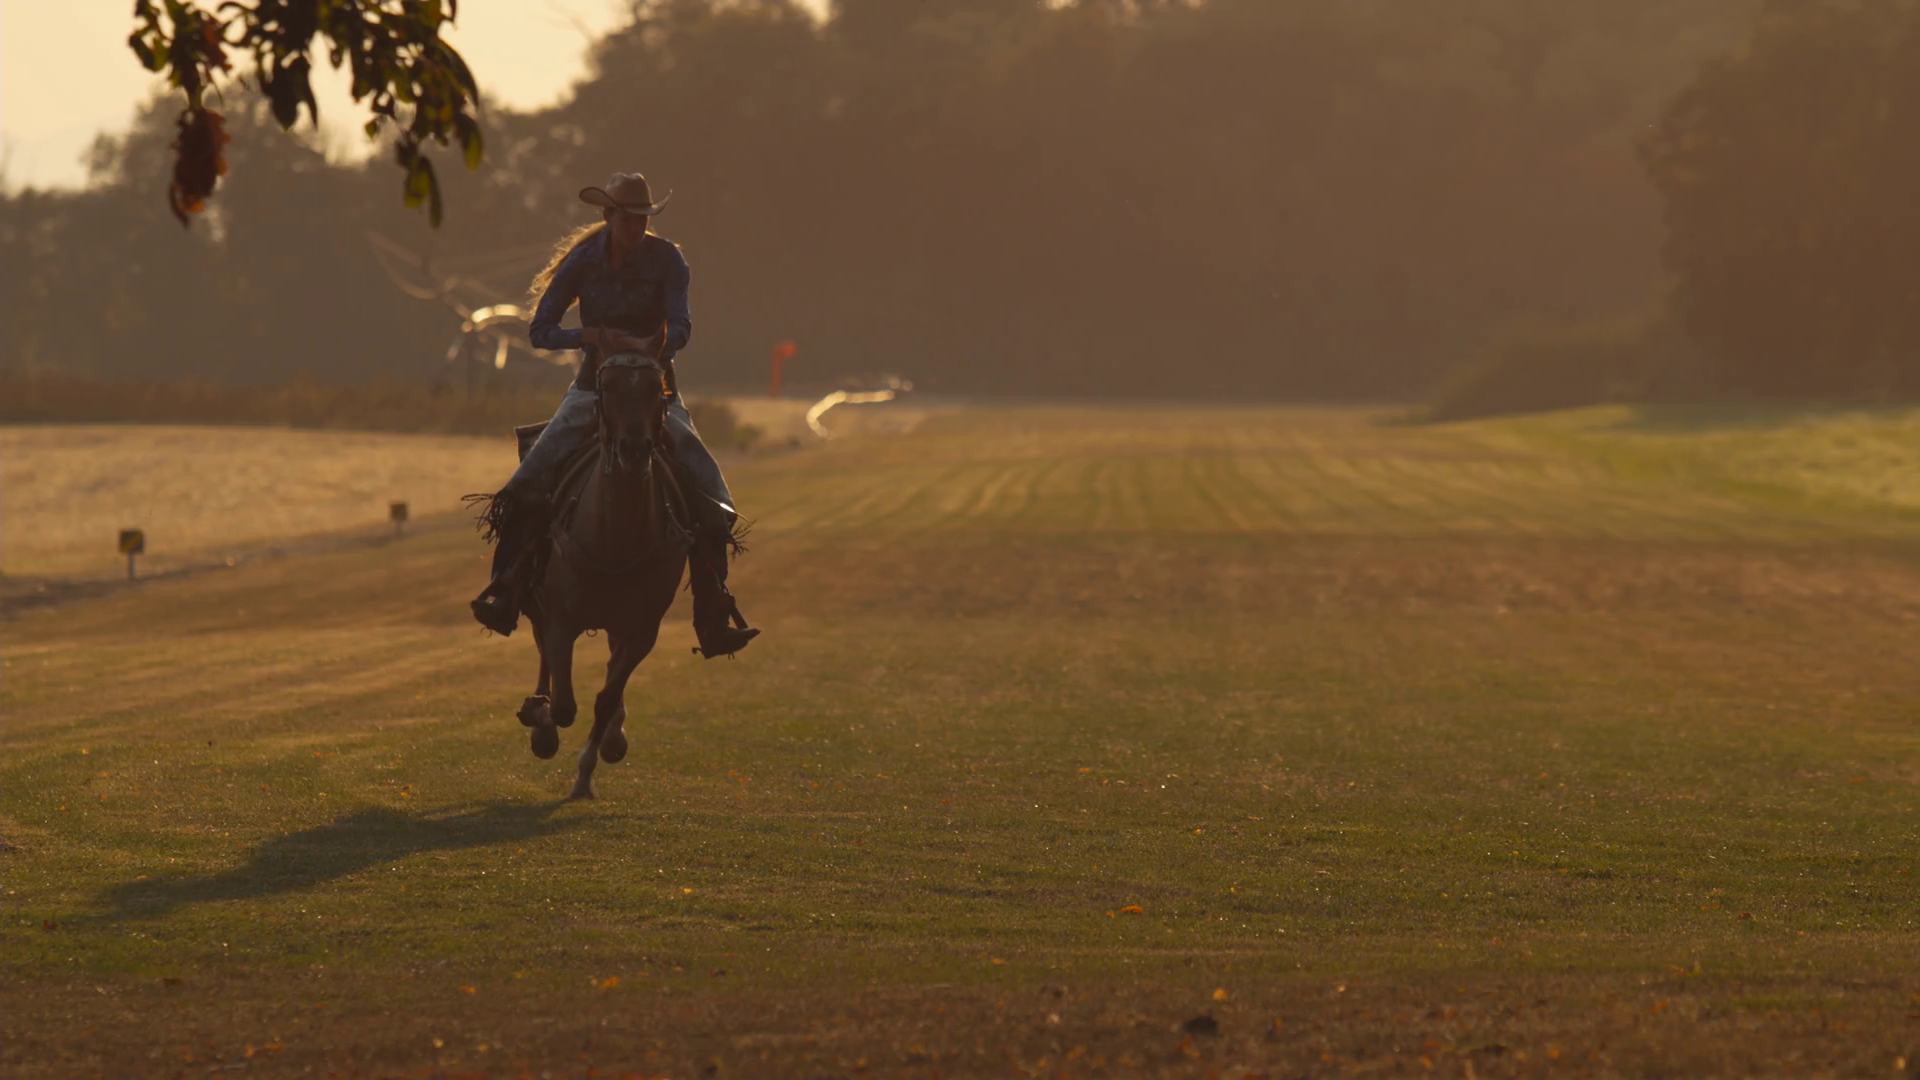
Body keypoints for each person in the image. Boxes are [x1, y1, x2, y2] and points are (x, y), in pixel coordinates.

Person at [469, 172, 759, 659]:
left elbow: (683, 323)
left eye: (643, 219)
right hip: (592, 388)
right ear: (608, 216)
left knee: (714, 495)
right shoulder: (582, 263)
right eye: (629, 218)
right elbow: (541, 330)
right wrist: (591, 336)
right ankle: (506, 589)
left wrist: (658, 343)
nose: (636, 227)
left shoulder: (669, 259)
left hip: (655, 387)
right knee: (527, 480)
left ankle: (713, 614)